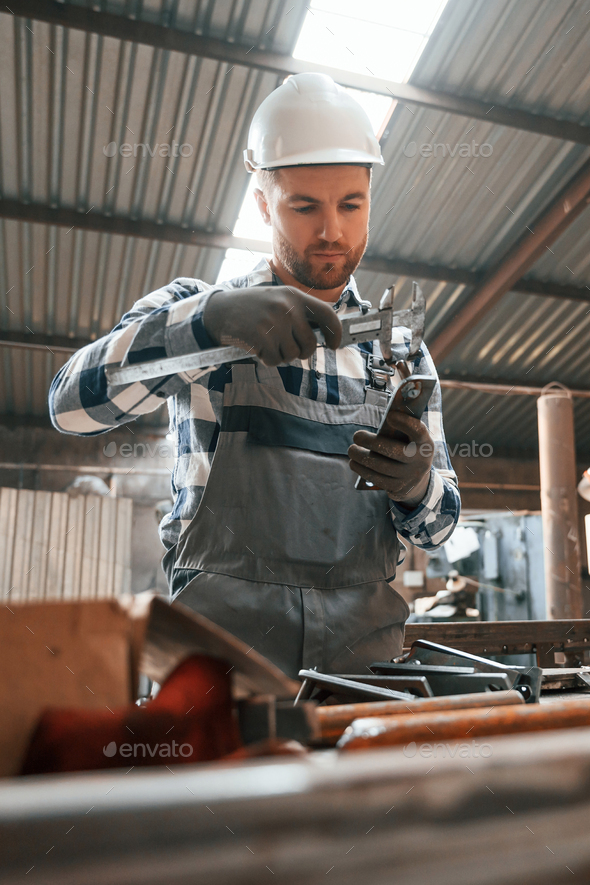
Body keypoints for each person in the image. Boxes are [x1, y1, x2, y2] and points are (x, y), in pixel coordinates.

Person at [50, 73, 460, 678]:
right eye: (305, 206)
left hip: (363, 674)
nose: (332, 232)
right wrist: (207, 325)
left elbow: (439, 527)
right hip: (221, 664)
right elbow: (72, 407)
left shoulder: (400, 353)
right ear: (263, 201)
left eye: (352, 204)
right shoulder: (194, 312)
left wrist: (416, 485)